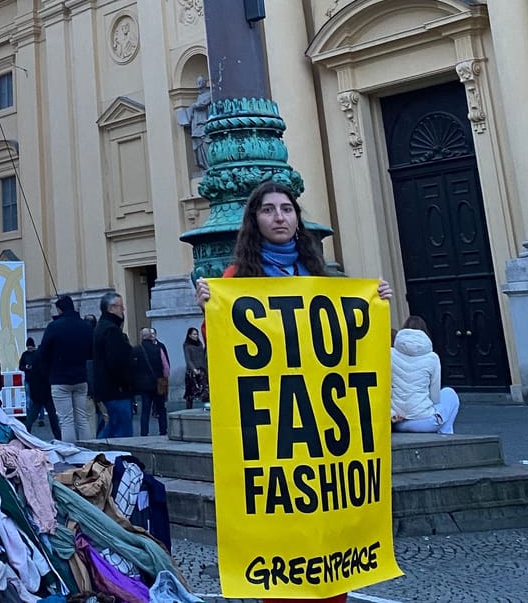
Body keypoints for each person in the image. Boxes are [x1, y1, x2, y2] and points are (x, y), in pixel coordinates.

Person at [194, 181, 393, 603]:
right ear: (255, 221)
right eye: (268, 210)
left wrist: (375, 305)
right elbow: (220, 348)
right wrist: (210, 308)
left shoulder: (321, 277)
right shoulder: (236, 279)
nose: (280, 217)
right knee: (279, 535)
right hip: (273, 430)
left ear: (298, 218)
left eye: (287, 209)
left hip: (323, 426)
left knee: (327, 529)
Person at [36, 295, 94, 442]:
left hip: (59, 379)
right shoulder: (85, 326)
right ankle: (87, 449)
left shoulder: (54, 327)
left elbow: (43, 353)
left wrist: (48, 373)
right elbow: (91, 352)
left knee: (66, 420)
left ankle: (71, 453)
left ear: (59, 309)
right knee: (82, 418)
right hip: (81, 377)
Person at [391, 316, 460, 434]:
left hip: (397, 423)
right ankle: (445, 433)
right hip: (424, 422)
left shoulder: (389, 354)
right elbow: (435, 398)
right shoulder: (432, 358)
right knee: (449, 393)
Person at [92, 291, 134, 439]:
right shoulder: (111, 330)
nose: (123, 311)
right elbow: (116, 362)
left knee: (112, 425)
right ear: (112, 308)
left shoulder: (102, 327)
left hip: (107, 388)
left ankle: (99, 454)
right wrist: (128, 381)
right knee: (121, 430)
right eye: (121, 307)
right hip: (117, 390)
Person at [20, 338, 61, 439]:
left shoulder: (32, 359)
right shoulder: (46, 360)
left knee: (32, 416)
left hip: (37, 391)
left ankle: (25, 436)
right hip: (46, 393)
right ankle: (58, 437)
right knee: (52, 417)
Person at [137, 328, 170, 436]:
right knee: (161, 408)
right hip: (158, 383)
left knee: (145, 410)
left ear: (142, 336)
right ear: (150, 336)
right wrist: (165, 378)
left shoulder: (137, 349)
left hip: (144, 384)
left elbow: (133, 367)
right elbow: (165, 366)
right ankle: (163, 430)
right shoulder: (158, 348)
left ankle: (144, 432)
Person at [183, 327, 208, 410]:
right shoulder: (187, 346)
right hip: (192, 371)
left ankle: (207, 407)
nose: (196, 336)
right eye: (194, 334)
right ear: (189, 335)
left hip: (202, 369)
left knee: (205, 389)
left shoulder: (200, 344)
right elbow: (188, 359)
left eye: (197, 334)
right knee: (190, 392)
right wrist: (193, 369)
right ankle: (188, 409)